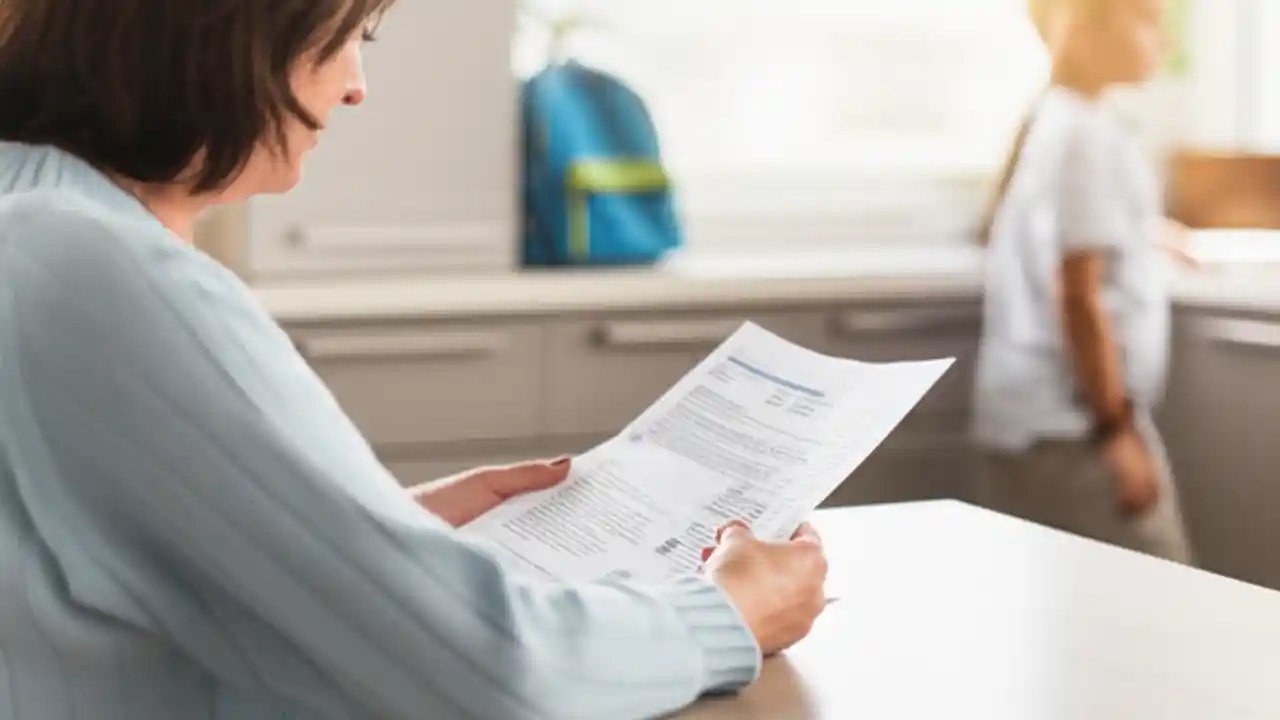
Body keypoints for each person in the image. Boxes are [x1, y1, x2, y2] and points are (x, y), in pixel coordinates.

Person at [0, 1, 828, 718]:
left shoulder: (32, 220)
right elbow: (491, 674)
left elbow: (73, 559)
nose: (355, 85)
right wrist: (731, 608)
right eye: (341, 37)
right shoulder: (102, 270)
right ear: (220, 41)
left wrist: (373, 528)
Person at [973, 0, 1193, 563]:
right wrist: (1117, 432)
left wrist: (1146, 235)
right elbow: (1075, 294)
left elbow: (1080, 244)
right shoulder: (1085, 137)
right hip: (1077, 428)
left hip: (1045, 422)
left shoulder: (1064, 117)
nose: (1160, 40)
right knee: (1166, 596)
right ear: (1087, 29)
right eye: (1146, 22)